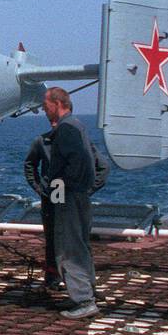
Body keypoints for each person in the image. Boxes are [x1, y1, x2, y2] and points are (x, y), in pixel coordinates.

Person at [25, 117, 110, 291]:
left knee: (69, 240)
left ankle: (79, 284)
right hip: (57, 196)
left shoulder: (66, 142)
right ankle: (55, 278)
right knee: (59, 240)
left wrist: (87, 190)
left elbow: (103, 167)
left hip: (66, 195)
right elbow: (29, 165)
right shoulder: (43, 141)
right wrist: (39, 189)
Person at [40, 87, 100, 319]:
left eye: (46, 106)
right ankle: (88, 291)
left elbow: (75, 164)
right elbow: (91, 163)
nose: (44, 111)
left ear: (57, 103)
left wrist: (58, 190)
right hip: (79, 196)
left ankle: (84, 300)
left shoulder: (66, 129)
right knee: (80, 245)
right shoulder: (77, 126)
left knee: (68, 249)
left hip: (68, 198)